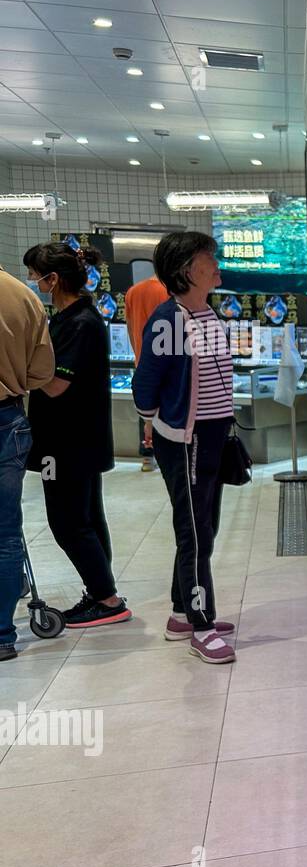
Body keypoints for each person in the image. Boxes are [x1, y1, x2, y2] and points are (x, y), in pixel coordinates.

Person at [132, 232, 238, 664]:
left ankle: (181, 613)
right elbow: (144, 387)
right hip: (186, 440)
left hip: (210, 436)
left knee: (205, 526)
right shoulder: (167, 321)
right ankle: (201, 623)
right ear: (184, 270)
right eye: (206, 258)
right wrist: (160, 420)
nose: (215, 264)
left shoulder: (205, 313)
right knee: (193, 530)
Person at [23, 241, 129, 628]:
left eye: (35, 276)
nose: (32, 282)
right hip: (76, 439)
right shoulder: (72, 318)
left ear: (54, 279)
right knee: (87, 518)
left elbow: (56, 386)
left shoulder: (79, 323)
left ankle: (107, 598)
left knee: (68, 523)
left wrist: (18, 367)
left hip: (65, 442)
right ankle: (102, 590)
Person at [0, 266, 55, 661]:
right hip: (8, 421)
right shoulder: (23, 295)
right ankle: (3, 634)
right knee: (5, 534)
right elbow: (42, 372)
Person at [125, 272, 168, 472]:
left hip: (142, 359)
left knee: (145, 410)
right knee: (164, 409)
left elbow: (129, 326)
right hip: (164, 361)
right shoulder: (169, 292)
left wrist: (137, 353)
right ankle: (162, 453)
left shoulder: (133, 292)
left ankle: (147, 457)